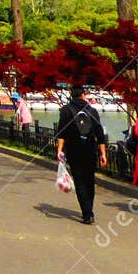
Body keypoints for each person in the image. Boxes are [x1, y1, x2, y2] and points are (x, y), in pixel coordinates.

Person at [55, 84, 109, 225]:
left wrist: (60, 150)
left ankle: (87, 213)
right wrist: (103, 153)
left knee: (79, 180)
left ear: (71, 95)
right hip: (90, 149)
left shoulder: (66, 110)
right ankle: (89, 207)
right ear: (83, 95)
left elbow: (61, 132)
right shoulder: (92, 111)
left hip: (73, 149)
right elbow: (100, 134)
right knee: (89, 180)